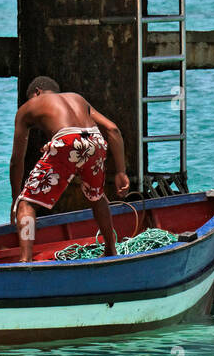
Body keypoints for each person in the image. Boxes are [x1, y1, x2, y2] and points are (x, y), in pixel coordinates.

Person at [9, 76, 129, 263]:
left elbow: (17, 160)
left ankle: (25, 261)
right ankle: (110, 250)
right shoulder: (78, 98)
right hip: (95, 140)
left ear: (37, 92)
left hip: (67, 140)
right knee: (97, 197)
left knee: (27, 203)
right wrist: (121, 172)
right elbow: (112, 129)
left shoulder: (29, 107)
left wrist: (16, 196)